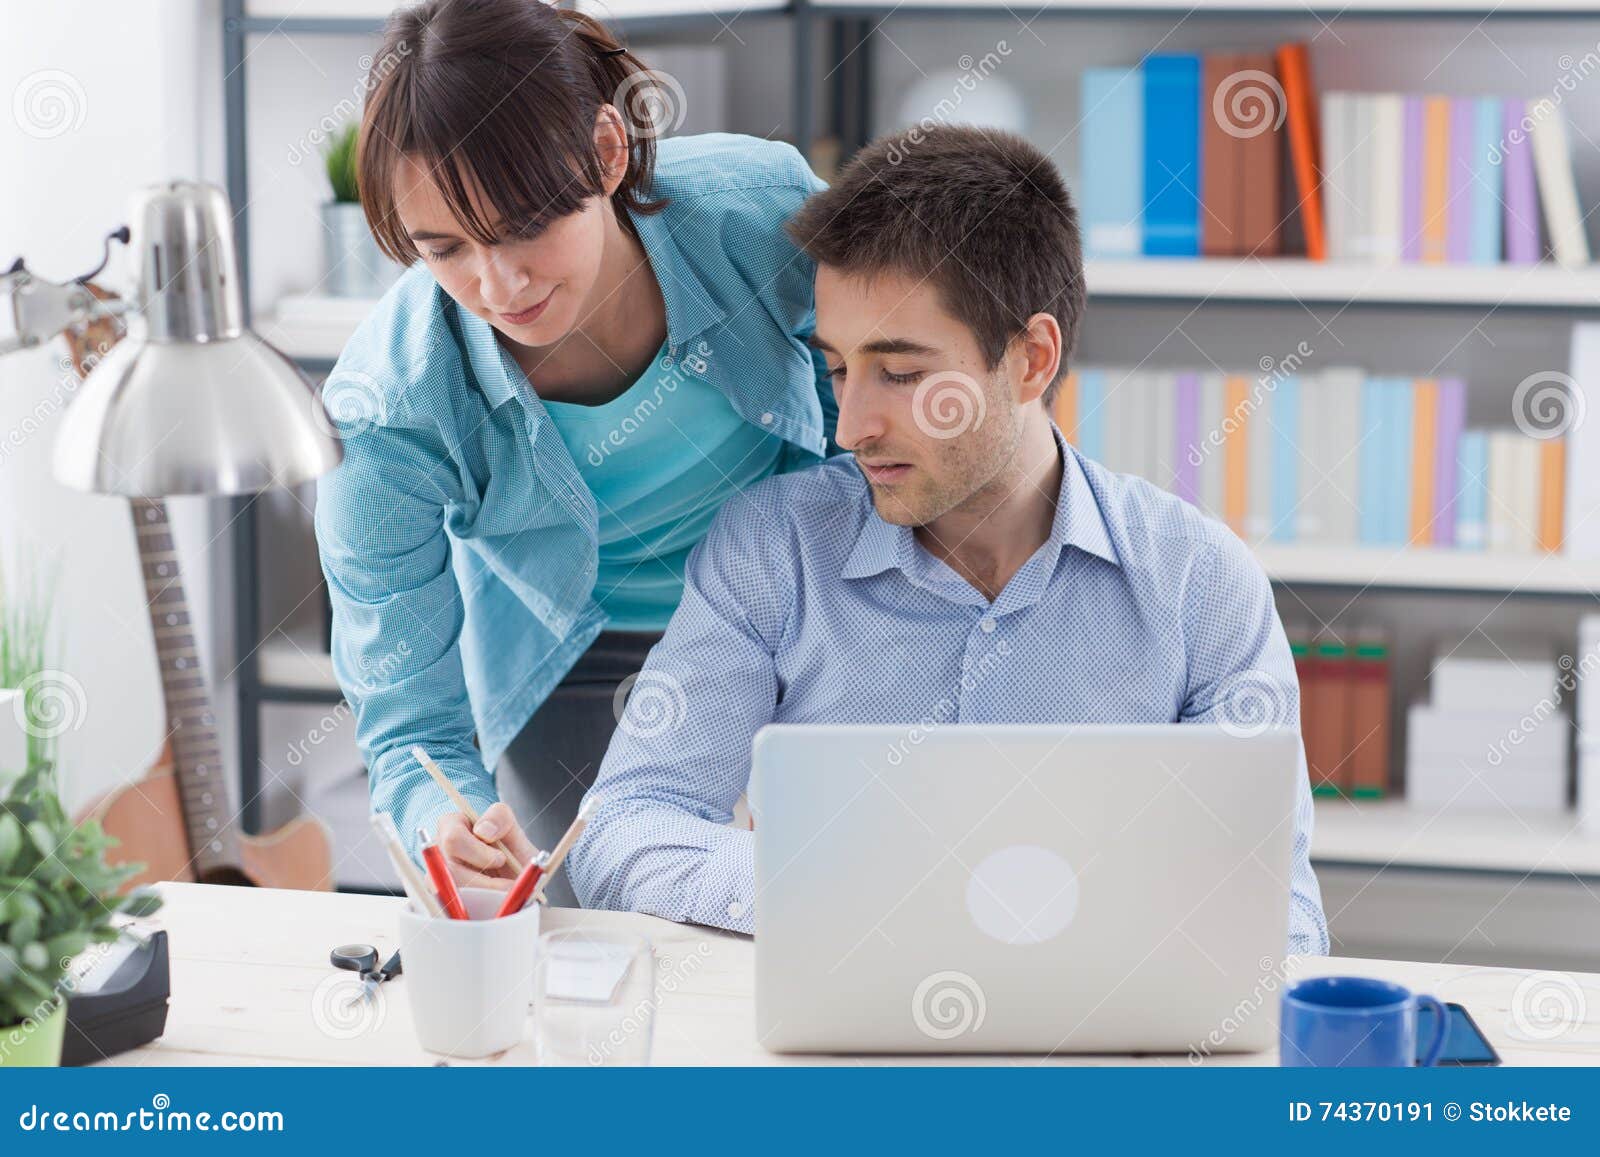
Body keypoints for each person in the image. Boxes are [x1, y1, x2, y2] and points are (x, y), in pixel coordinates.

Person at [491, 124, 1329, 956]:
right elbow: (623, 827)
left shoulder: (1198, 581)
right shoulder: (772, 552)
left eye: (901, 373)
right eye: (839, 369)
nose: (851, 426)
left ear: (1031, 360)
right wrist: (863, 891)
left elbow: (1277, 914)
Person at [313, 0, 836, 904]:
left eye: (523, 226)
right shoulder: (389, 405)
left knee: (840, 902)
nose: (498, 284)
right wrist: (445, 822)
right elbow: (407, 728)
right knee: (609, 931)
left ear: (605, 152)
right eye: (445, 250)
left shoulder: (763, 212)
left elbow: (873, 409)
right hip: (573, 658)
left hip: (798, 608)